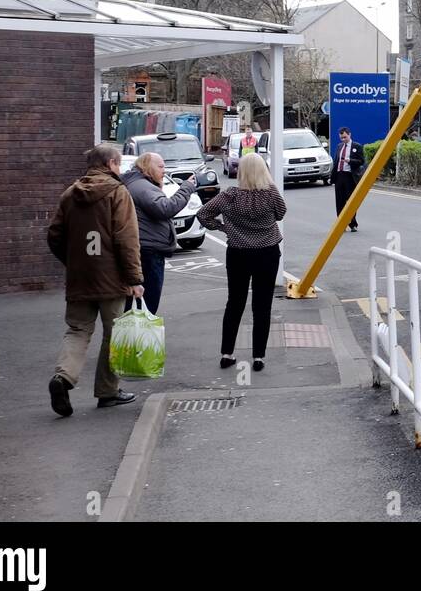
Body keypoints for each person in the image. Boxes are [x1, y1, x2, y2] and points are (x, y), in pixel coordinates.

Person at [46, 145, 144, 417]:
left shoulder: (70, 194)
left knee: (77, 330)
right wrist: (134, 278)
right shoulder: (118, 193)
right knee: (114, 335)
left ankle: (63, 378)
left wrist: (73, 261)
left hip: (80, 277)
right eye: (119, 163)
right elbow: (127, 240)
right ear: (111, 163)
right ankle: (107, 391)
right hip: (112, 279)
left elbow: (54, 236)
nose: (121, 168)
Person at [198, 153, 286, 372]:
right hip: (267, 252)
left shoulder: (230, 196)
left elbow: (203, 214)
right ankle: (258, 357)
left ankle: (227, 353)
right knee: (262, 305)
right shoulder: (271, 193)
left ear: (241, 172)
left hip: (238, 253)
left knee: (234, 303)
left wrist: (223, 227)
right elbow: (281, 213)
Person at [121, 152, 197, 313]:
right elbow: (166, 209)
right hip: (149, 252)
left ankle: (135, 336)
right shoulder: (142, 187)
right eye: (161, 166)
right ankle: (140, 338)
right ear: (147, 167)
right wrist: (186, 188)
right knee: (146, 305)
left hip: (145, 248)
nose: (164, 170)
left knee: (137, 304)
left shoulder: (138, 184)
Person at [331, 126, 365, 232]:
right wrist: (332, 177)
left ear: (349, 134)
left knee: (350, 201)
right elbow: (336, 162)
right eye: (341, 138)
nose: (343, 139)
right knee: (339, 201)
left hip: (350, 176)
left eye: (345, 137)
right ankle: (341, 223)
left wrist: (349, 160)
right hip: (339, 176)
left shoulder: (357, 146)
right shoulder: (339, 146)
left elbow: (361, 161)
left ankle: (352, 223)